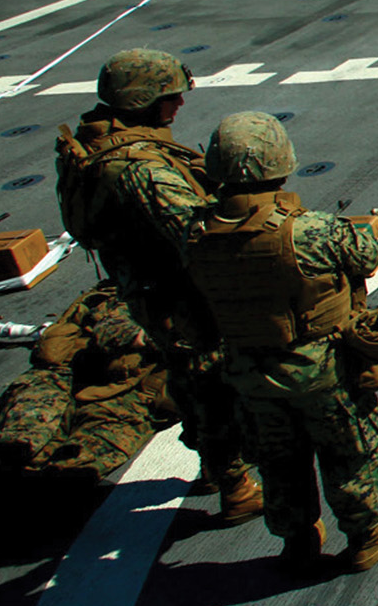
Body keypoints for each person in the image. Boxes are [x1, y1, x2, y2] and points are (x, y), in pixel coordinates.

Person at [184, 111, 378, 574]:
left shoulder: (196, 234)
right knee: (349, 453)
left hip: (249, 372)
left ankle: (297, 543)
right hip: (320, 370)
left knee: (278, 460)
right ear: (280, 162)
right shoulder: (310, 229)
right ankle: (365, 535)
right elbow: (366, 256)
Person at [53, 48, 261, 524]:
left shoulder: (95, 141)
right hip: (180, 293)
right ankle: (235, 487)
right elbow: (199, 234)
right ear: (142, 99)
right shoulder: (141, 167)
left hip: (145, 287)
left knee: (187, 376)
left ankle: (215, 467)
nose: (179, 104)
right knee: (212, 383)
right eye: (171, 96)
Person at [0, 282, 173, 482]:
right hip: (68, 374)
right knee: (14, 446)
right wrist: (161, 336)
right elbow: (110, 330)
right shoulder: (133, 295)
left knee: (72, 472)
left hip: (129, 401)